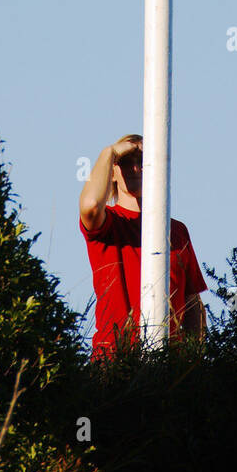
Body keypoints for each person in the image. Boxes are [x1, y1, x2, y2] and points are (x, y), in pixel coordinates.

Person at [79, 133, 207, 359]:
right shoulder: (109, 223)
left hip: (170, 368)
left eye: (144, 162)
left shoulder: (177, 231)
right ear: (113, 172)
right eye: (126, 162)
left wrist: (192, 361)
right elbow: (90, 205)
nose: (136, 168)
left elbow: (193, 304)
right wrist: (109, 152)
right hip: (114, 362)